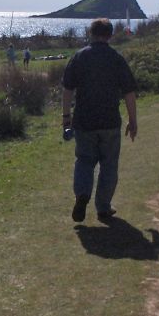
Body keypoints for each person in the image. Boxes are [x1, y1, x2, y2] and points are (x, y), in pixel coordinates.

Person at [61, 19, 138, 223]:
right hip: (110, 121)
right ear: (110, 35)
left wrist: (66, 118)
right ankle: (103, 207)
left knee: (84, 160)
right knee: (109, 165)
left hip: (84, 121)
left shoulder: (79, 57)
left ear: (91, 33)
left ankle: (82, 194)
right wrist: (133, 120)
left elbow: (67, 90)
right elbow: (129, 92)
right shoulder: (116, 59)